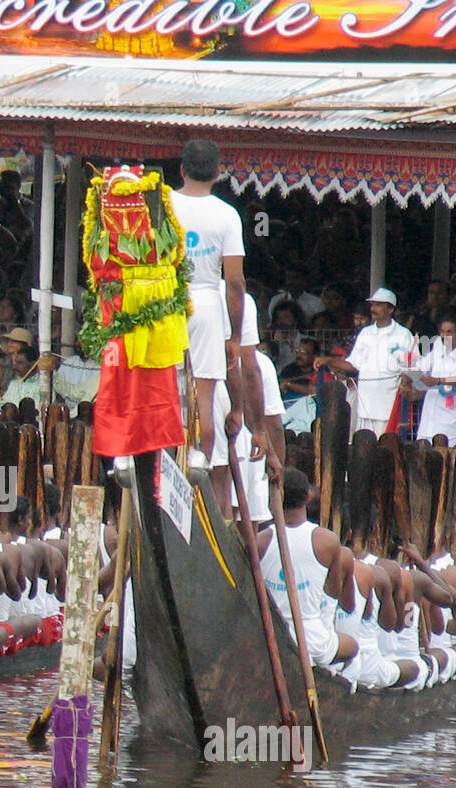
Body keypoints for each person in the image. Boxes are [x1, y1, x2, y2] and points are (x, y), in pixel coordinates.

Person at [168, 139, 264, 515]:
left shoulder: (163, 205)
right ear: (218, 173)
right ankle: (197, 476)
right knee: (204, 398)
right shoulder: (227, 215)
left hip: (166, 301)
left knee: (167, 392)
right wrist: (235, 335)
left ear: (182, 169)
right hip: (208, 303)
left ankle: (168, 472)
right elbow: (235, 282)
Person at [256, 467, 358, 673]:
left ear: (274, 497)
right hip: (312, 638)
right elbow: (333, 592)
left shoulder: (260, 540)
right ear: (308, 496)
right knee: (353, 647)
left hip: (271, 634)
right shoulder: (327, 540)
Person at [315, 287, 416, 436]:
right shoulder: (366, 333)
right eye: (373, 304)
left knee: (387, 443)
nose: (373, 309)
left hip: (389, 404)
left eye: (378, 305)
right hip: (365, 403)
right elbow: (353, 364)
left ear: (390, 309)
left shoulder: (403, 334)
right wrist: (329, 360)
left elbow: (413, 367)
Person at [414, 315, 456, 446]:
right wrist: (410, 374)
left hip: (452, 420)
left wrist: (438, 381)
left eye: (450, 332)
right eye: (442, 332)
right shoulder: (437, 350)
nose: (445, 336)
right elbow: (420, 367)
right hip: (429, 419)